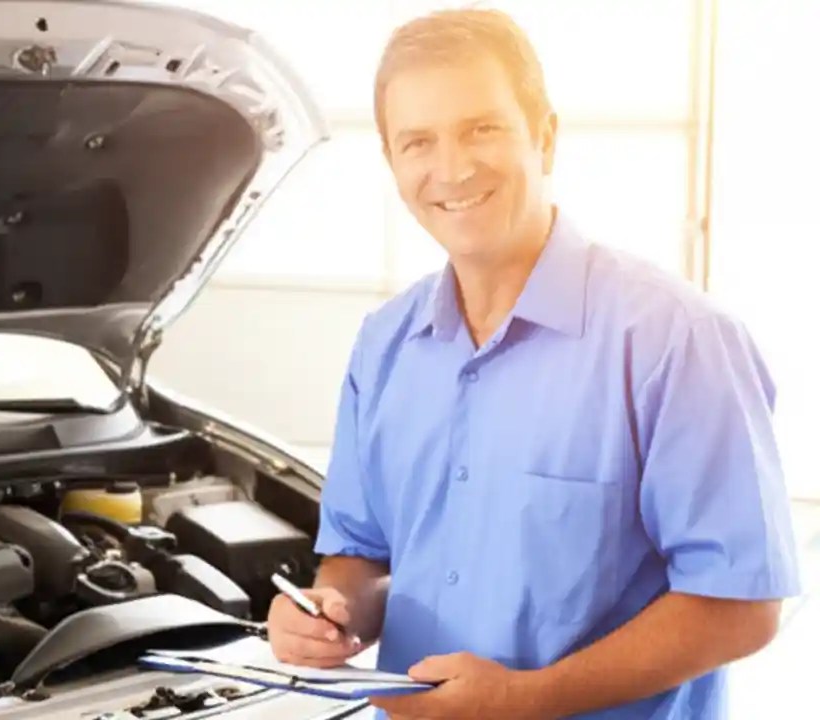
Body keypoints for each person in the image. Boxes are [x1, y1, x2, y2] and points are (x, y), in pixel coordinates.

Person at [265, 8, 800, 720]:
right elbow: (360, 556)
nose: (452, 168)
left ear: (544, 137)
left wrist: (527, 699)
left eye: (481, 129)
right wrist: (329, 612)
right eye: (418, 141)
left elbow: (741, 605)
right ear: (392, 162)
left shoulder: (678, 339)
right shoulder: (384, 345)